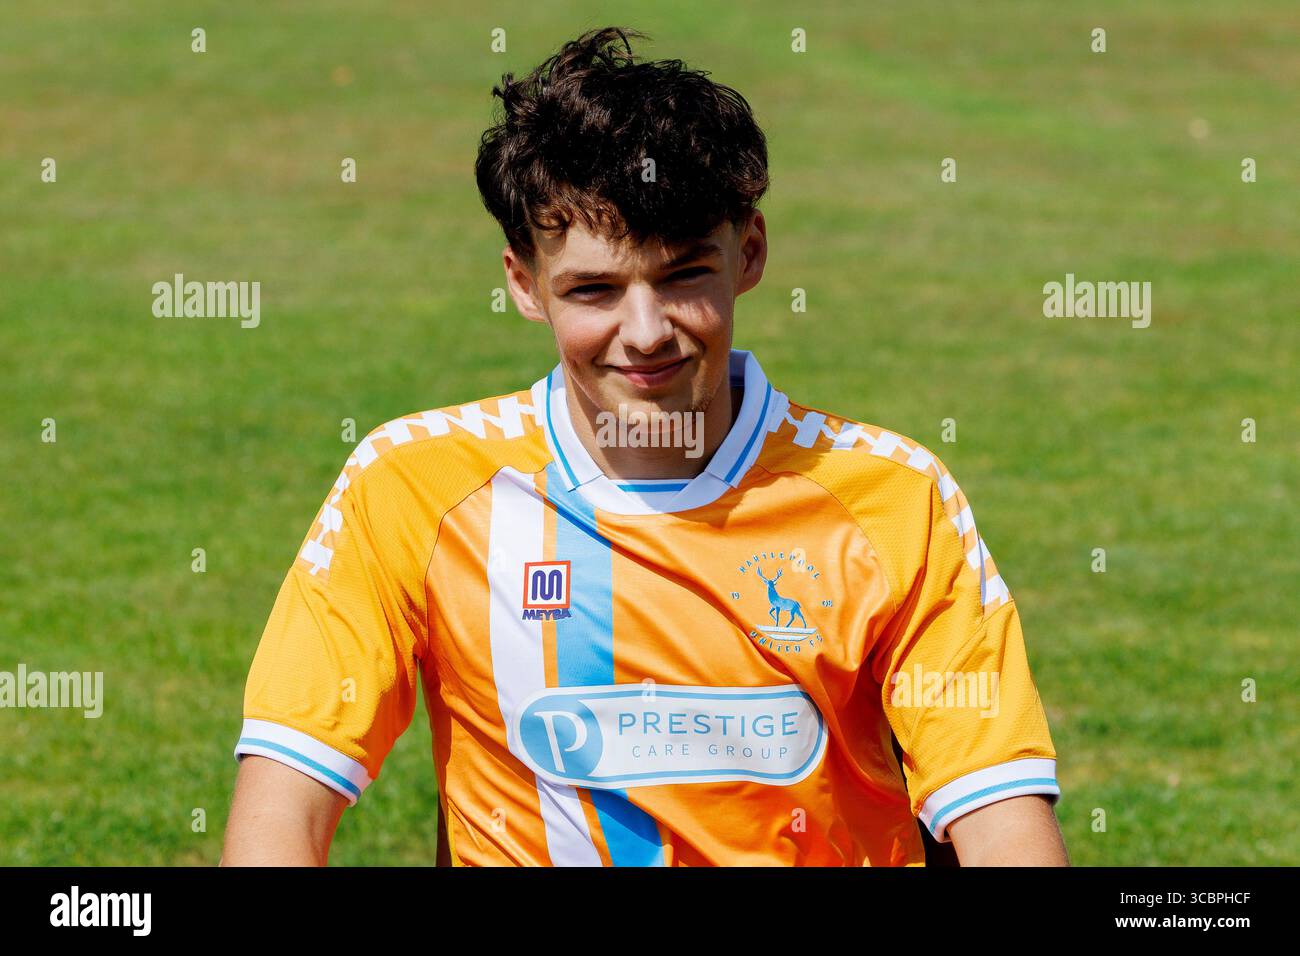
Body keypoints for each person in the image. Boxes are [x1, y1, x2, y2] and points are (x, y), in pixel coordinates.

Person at [221, 26, 1067, 867]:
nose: (645, 333)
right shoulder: (411, 485)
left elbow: (1000, 816)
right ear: (523, 284)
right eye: (593, 289)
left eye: (683, 275)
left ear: (752, 254)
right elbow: (285, 803)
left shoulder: (891, 496)